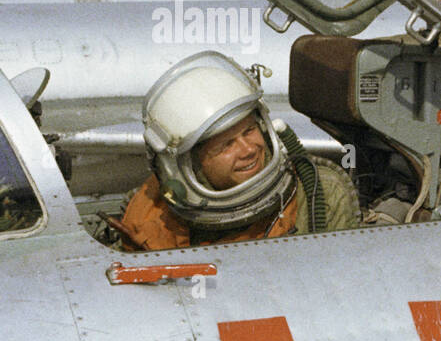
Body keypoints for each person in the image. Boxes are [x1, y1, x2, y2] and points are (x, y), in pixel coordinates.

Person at [111, 51, 358, 250]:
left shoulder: (318, 193)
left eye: (249, 130)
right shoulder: (151, 211)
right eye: (226, 145)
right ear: (194, 165)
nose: (249, 149)